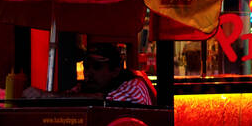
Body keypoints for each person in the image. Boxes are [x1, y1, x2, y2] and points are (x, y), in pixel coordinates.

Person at [23, 42, 155, 105]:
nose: (89, 73)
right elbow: (68, 97)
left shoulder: (134, 85)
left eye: (97, 67)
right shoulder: (85, 87)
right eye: (86, 67)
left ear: (115, 70)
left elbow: (102, 101)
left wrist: (46, 96)